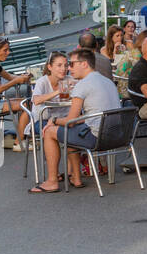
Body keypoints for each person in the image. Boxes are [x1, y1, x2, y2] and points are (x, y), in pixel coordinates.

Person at [28, 48, 121, 193]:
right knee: (71, 131)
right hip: (118, 136)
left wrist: (54, 120)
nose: (68, 68)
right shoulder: (107, 81)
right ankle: (76, 178)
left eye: (71, 64)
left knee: (50, 131)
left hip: (97, 138)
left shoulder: (82, 85)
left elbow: (70, 120)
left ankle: (52, 181)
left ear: (84, 64)